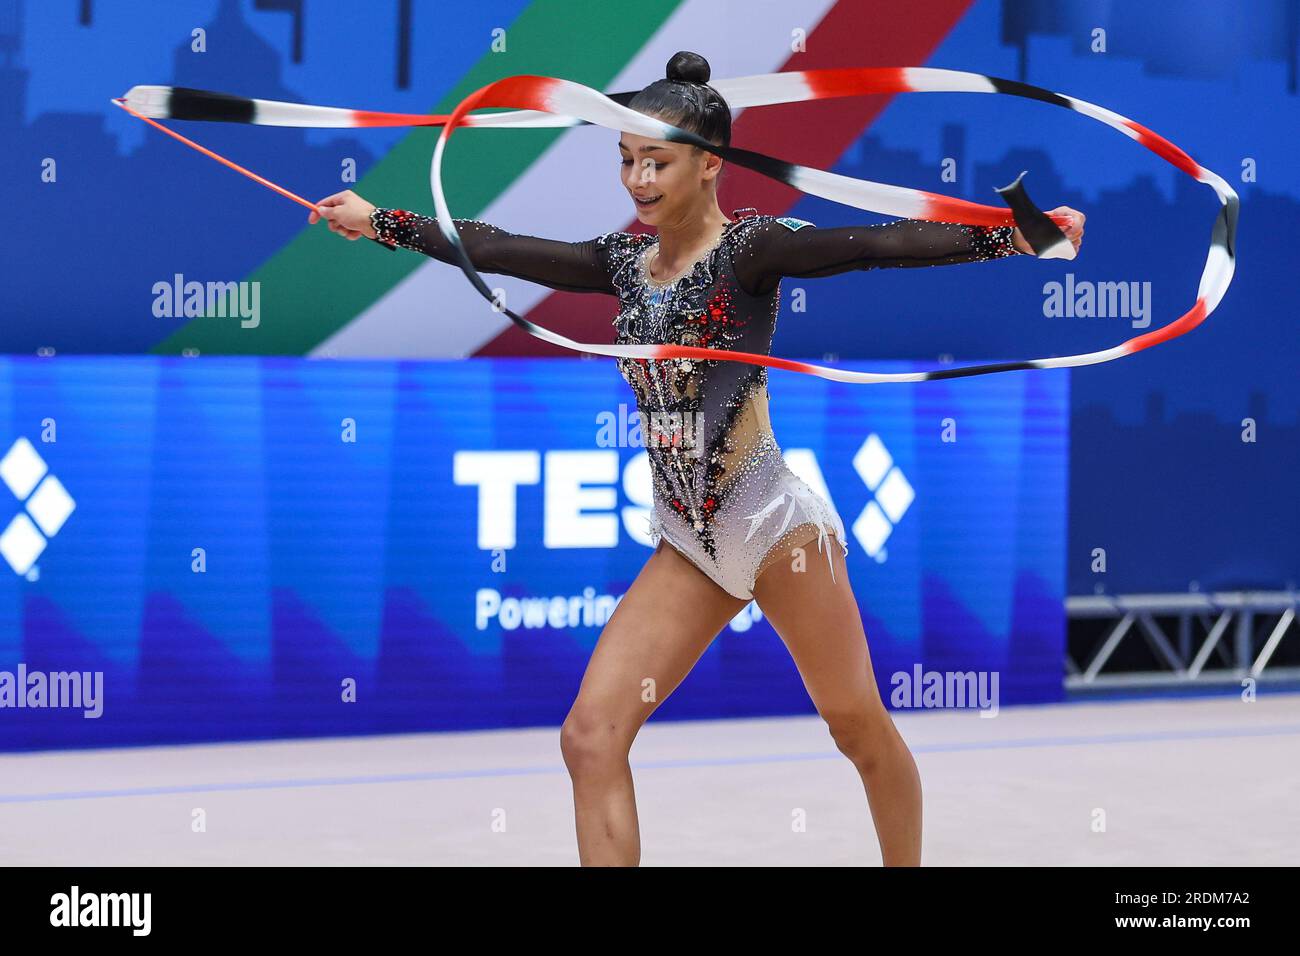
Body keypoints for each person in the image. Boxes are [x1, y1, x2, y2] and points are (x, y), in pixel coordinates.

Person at [309, 50, 1085, 866]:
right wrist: (383, 220)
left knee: (856, 726)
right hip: (689, 538)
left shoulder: (749, 251)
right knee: (589, 736)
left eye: (658, 162)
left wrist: (1010, 241)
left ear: (711, 163)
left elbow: (867, 243)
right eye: (626, 160)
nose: (638, 179)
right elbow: (499, 247)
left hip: (777, 527)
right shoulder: (621, 265)